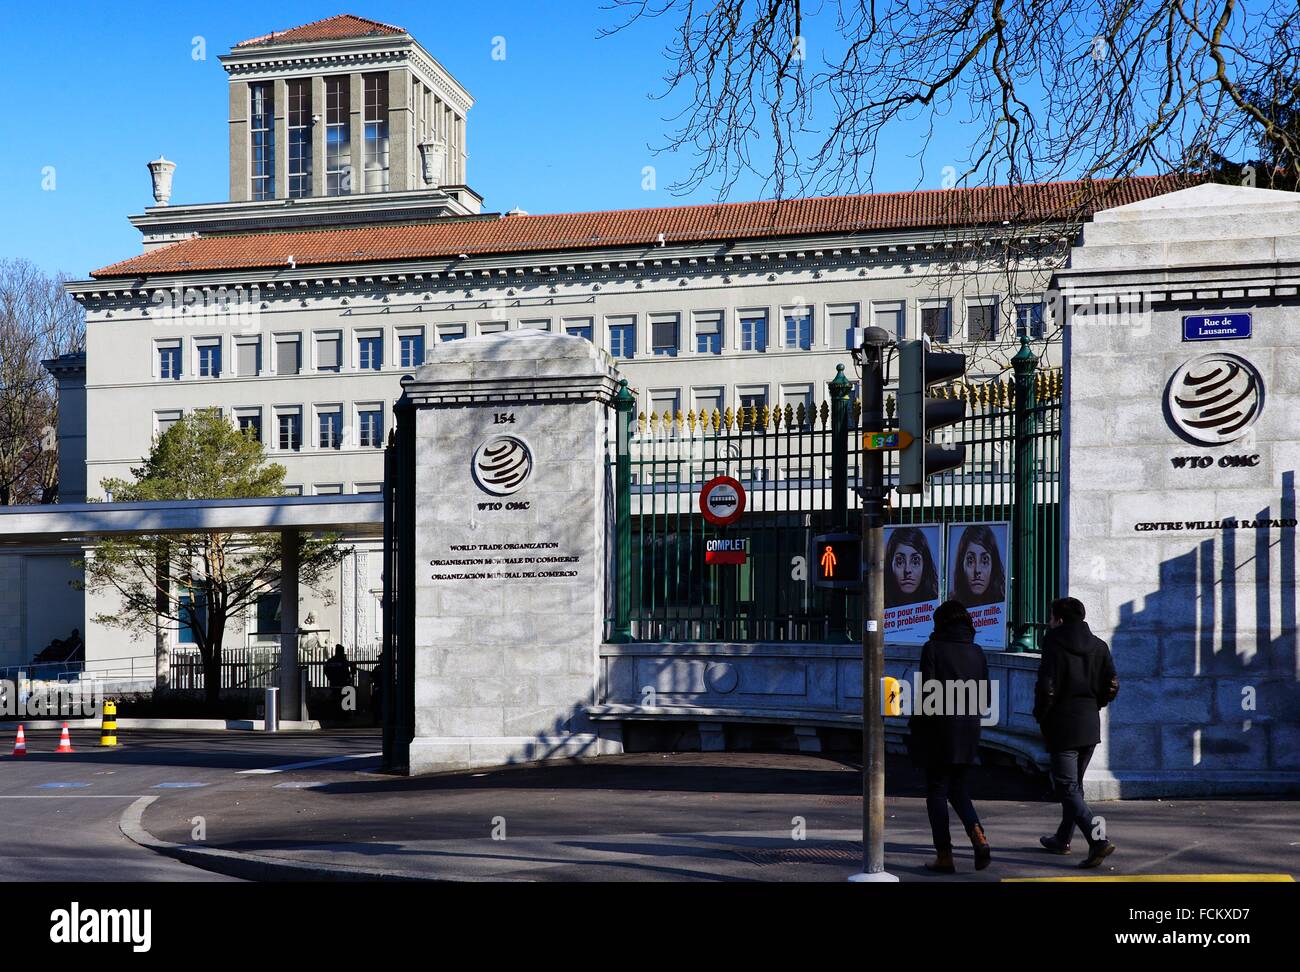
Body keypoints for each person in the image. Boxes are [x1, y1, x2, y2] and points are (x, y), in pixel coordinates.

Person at [1033, 596, 1120, 868]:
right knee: (1074, 787)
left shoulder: (1053, 643)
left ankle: (1098, 839)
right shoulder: (1099, 646)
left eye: (1051, 617)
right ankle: (1063, 839)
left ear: (1058, 619)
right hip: (1089, 723)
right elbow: (1112, 685)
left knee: (1067, 788)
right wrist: (1095, 704)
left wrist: (1041, 714)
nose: (1049, 622)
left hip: (1063, 723)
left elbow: (1046, 686)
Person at [908, 599, 992, 874]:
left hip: (940, 730)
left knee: (936, 791)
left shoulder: (933, 648)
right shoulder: (977, 652)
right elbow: (985, 698)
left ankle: (945, 856)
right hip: (969, 729)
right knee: (958, 788)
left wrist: (916, 728)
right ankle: (977, 834)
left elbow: (928, 695)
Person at [950, 524, 1007, 609]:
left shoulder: (1004, 605)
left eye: (984, 561)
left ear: (993, 565)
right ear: (961, 564)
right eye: (970, 561)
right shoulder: (950, 607)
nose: (977, 570)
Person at [884, 527, 940, 608]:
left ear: (925, 565)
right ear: (890, 564)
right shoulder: (879, 606)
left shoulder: (936, 605)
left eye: (915, 561)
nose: (907, 570)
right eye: (900, 561)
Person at [323, 644, 354, 719]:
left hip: (334, 683)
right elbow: (348, 671)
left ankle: (335, 715)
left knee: (335, 699)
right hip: (343, 683)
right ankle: (345, 715)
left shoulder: (330, 661)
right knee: (345, 700)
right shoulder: (343, 661)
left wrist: (330, 678)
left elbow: (326, 670)